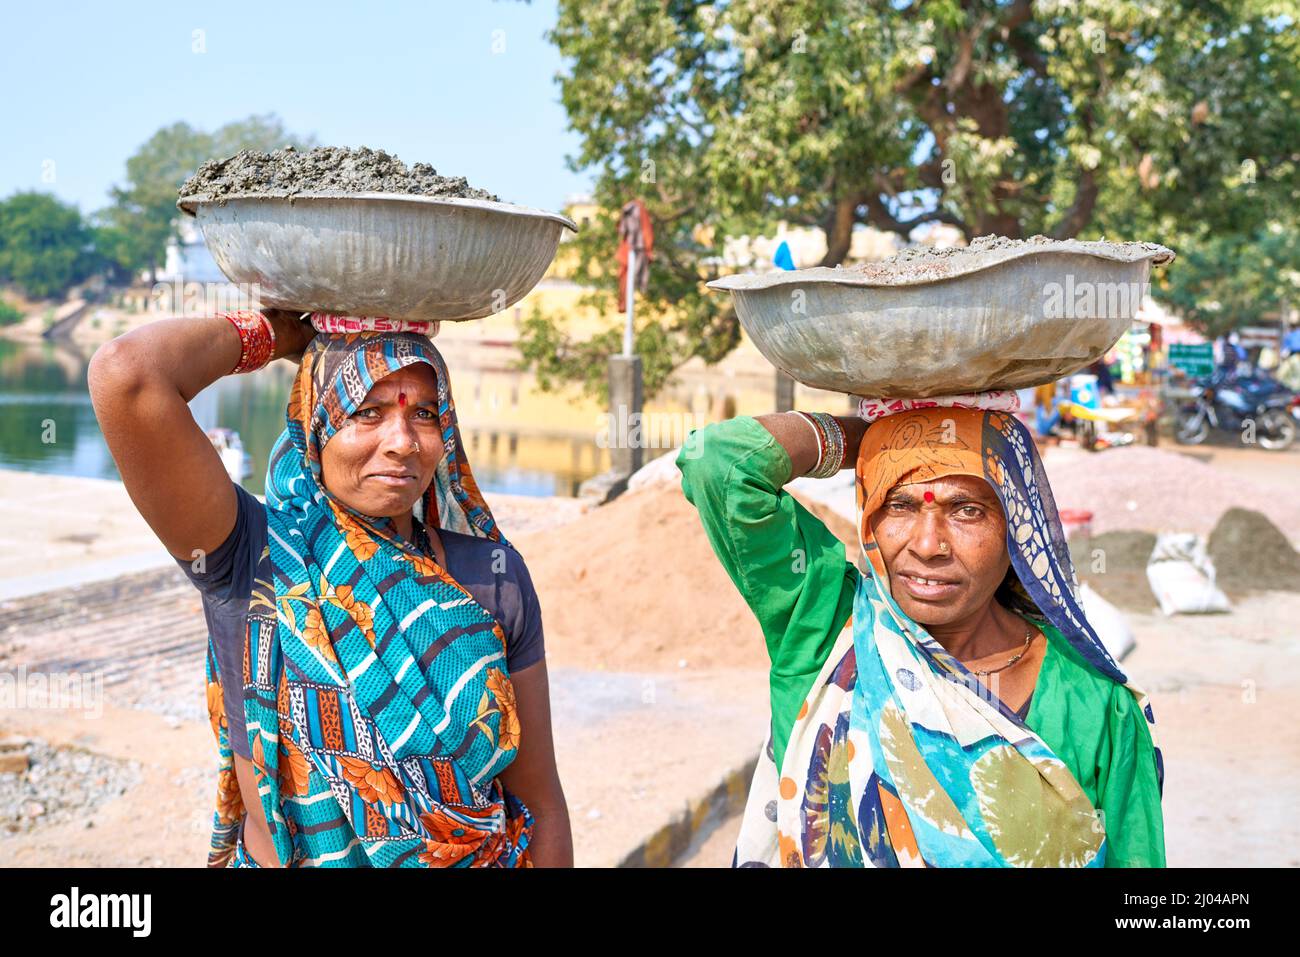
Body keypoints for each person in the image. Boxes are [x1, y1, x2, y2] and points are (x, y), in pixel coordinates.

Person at [88, 309, 572, 868]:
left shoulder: (493, 575)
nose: (403, 442)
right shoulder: (248, 555)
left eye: (425, 414)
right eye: (367, 412)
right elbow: (127, 375)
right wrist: (283, 333)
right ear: (314, 424)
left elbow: (539, 802)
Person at [677, 395, 1165, 867]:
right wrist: (871, 438)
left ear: (1015, 525)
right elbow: (718, 462)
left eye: (966, 510)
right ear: (868, 514)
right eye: (899, 504)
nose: (927, 544)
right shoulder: (828, 631)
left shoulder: (1094, 702)